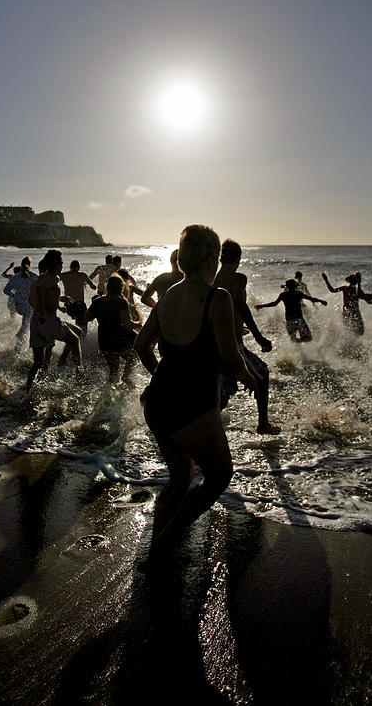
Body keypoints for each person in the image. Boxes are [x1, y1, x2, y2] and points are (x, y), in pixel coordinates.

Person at [134, 224, 256, 568]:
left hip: (158, 402)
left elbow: (141, 346)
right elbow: (231, 358)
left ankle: (159, 544)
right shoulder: (217, 297)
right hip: (193, 405)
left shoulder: (169, 294)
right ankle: (164, 545)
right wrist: (250, 377)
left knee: (181, 475)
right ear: (210, 258)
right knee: (219, 476)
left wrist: (160, 374)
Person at [213, 239, 278, 434]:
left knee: (223, 394)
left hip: (217, 344)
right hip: (234, 346)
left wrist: (232, 326)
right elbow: (241, 305)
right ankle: (263, 424)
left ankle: (202, 429)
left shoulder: (213, 280)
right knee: (262, 374)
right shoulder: (239, 278)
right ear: (238, 258)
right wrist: (258, 337)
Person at [26, 249, 82, 390]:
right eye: (61, 263)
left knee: (37, 363)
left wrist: (57, 300)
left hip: (35, 321)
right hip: (48, 319)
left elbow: (31, 300)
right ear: (57, 265)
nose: (62, 266)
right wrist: (45, 313)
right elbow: (40, 290)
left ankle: (28, 390)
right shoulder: (54, 278)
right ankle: (79, 376)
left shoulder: (39, 278)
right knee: (75, 340)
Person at [84, 274, 141, 382]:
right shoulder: (121, 302)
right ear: (121, 288)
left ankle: (109, 393)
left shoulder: (98, 302)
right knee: (133, 357)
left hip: (104, 340)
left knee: (113, 370)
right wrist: (138, 324)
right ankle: (126, 377)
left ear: (107, 287)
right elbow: (127, 324)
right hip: (119, 339)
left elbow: (86, 318)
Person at [256, 278, 327, 342]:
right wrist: (321, 301)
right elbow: (311, 299)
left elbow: (274, 303)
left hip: (289, 321)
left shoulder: (283, 295)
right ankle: (300, 341)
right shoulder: (298, 294)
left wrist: (262, 306)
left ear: (286, 286)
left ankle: (297, 349)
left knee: (293, 339)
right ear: (295, 286)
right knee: (308, 338)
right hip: (299, 319)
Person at [3, 257, 37, 353]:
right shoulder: (34, 276)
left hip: (18, 306)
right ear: (30, 265)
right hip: (29, 306)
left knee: (26, 323)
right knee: (27, 324)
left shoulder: (15, 277)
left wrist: (15, 295)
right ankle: (18, 347)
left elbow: (5, 291)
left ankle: (19, 335)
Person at [60, 260, 96, 330]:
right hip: (79, 305)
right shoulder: (82, 275)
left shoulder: (64, 275)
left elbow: (53, 280)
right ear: (79, 267)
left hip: (68, 305)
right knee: (83, 322)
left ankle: (75, 332)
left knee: (78, 320)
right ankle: (81, 338)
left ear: (70, 267)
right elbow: (93, 287)